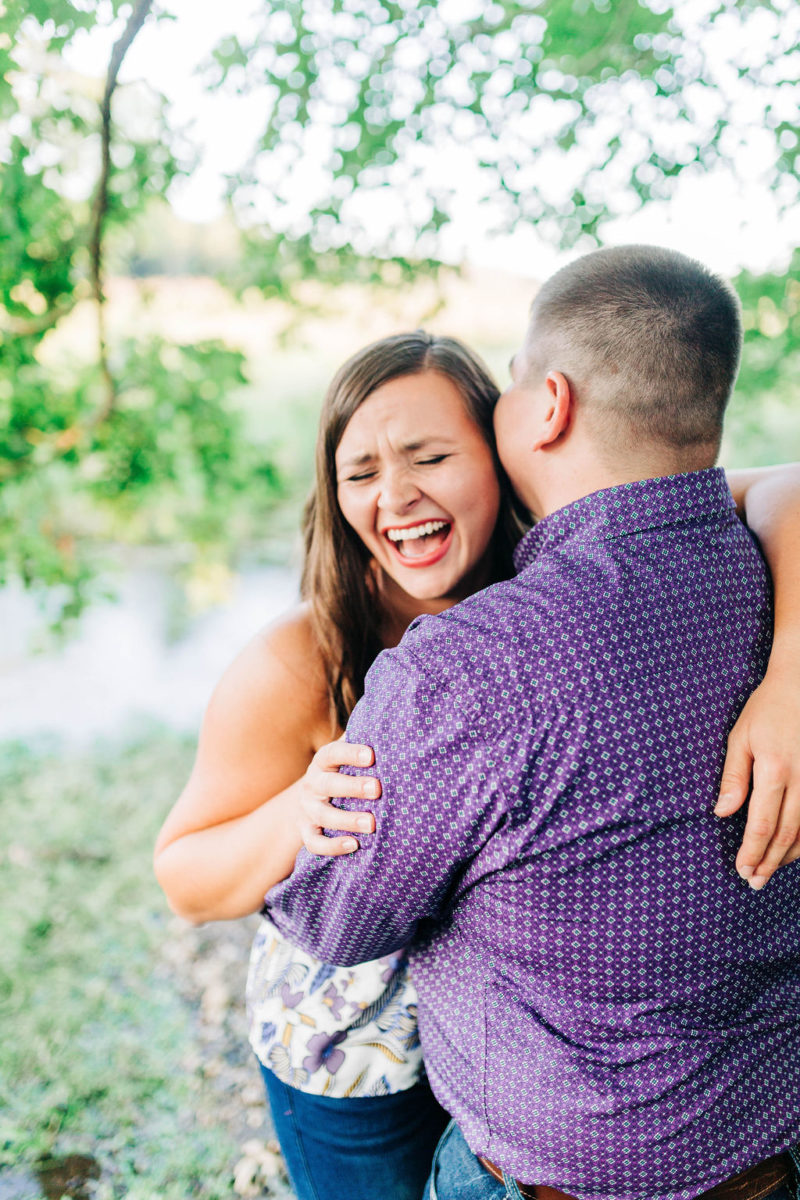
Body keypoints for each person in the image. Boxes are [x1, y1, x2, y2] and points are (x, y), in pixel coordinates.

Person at [262, 247, 800, 1200]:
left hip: (554, 1177)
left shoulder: (463, 670)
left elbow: (337, 919)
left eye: (508, 380)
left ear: (547, 404)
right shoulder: (767, 574)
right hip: (769, 1157)